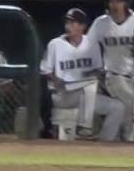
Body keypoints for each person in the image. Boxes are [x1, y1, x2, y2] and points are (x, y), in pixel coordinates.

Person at [41, 8, 124, 141]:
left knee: (118, 107)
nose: (68, 26)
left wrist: (92, 74)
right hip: (63, 94)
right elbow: (46, 70)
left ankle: (105, 143)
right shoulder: (55, 44)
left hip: (86, 94)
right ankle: (83, 128)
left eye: (73, 23)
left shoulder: (92, 44)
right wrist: (56, 79)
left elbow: (98, 70)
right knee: (87, 88)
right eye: (67, 23)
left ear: (83, 26)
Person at [85, 0, 134, 142]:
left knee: (131, 115)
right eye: (112, 1)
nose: (114, 5)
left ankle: (125, 142)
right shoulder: (101, 23)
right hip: (114, 75)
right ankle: (125, 140)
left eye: (118, 1)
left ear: (126, 3)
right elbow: (87, 46)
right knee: (131, 107)